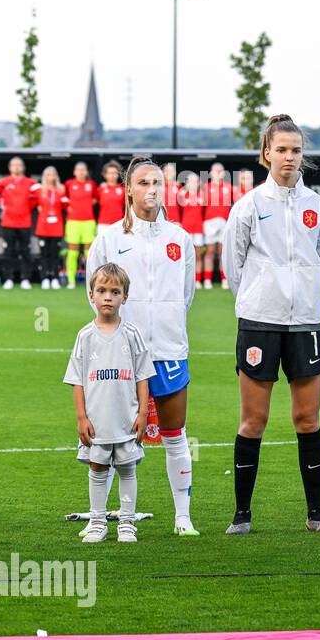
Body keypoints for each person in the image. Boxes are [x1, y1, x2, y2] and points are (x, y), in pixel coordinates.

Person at [222, 114, 320, 535]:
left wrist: (300, 295)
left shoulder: (318, 208)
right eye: (282, 150)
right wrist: (260, 298)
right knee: (253, 421)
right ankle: (242, 515)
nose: (289, 157)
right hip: (259, 323)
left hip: (305, 322)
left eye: (296, 150)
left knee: (307, 420)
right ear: (266, 153)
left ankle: (316, 514)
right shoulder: (248, 206)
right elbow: (233, 268)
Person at [87, 157, 199, 536]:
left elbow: (186, 295)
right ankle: (113, 520)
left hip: (168, 349)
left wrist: (163, 326)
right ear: (129, 189)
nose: (152, 189)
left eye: (157, 182)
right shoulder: (109, 238)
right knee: (114, 439)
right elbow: (95, 292)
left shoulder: (180, 239)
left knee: (175, 433)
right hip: (120, 354)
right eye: (144, 182)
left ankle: (182, 517)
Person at [64, 262, 155, 543]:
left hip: (126, 419)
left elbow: (143, 376)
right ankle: (97, 521)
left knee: (128, 469)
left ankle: (127, 523)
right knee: (98, 469)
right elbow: (77, 380)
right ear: (90, 295)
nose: (107, 297)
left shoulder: (132, 335)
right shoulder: (85, 336)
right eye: (101, 290)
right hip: (97, 421)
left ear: (124, 297)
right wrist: (81, 417)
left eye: (115, 292)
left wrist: (143, 413)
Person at [0, 157, 40, 289]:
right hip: (8, 221)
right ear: (9, 167)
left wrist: (28, 207)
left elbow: (39, 196)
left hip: (24, 222)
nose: (16, 167)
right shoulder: (3, 182)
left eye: (19, 165)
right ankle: (8, 278)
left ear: (23, 167)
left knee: (25, 251)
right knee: (9, 251)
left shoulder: (30, 182)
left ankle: (25, 278)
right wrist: (2, 204)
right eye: (14, 165)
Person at [64, 162, 98, 289]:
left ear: (86, 172)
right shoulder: (69, 184)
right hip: (73, 221)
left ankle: (90, 281)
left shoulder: (92, 185)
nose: (81, 172)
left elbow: (95, 199)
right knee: (72, 252)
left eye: (83, 170)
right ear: (74, 172)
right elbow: (64, 199)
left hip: (88, 221)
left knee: (89, 252)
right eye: (78, 170)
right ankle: (71, 280)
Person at [34, 166, 67, 288]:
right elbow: (32, 203)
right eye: (48, 175)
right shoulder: (39, 190)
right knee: (44, 254)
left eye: (52, 175)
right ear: (44, 177)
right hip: (43, 226)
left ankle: (55, 278)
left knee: (55, 253)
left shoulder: (61, 189)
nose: (50, 177)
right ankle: (45, 278)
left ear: (56, 176)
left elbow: (65, 206)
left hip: (56, 226)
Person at [202, 162, 234, 287]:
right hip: (209, 221)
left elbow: (234, 204)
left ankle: (224, 279)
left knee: (223, 252)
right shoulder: (205, 187)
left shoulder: (229, 187)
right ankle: (207, 280)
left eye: (220, 170)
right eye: (215, 171)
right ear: (210, 173)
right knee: (209, 251)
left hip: (224, 222)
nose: (218, 173)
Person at [180, 170, 206, 284]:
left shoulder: (202, 195)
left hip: (198, 229)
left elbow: (206, 211)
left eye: (196, 181)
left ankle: (198, 280)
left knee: (198, 255)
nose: (193, 183)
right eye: (191, 181)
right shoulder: (182, 195)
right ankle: (186, 280)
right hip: (186, 228)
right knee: (185, 257)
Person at [95, 161, 125, 234]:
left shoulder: (123, 189)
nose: (112, 175)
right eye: (110, 173)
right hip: (103, 224)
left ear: (118, 174)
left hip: (119, 223)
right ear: (105, 175)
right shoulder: (100, 189)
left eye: (114, 173)